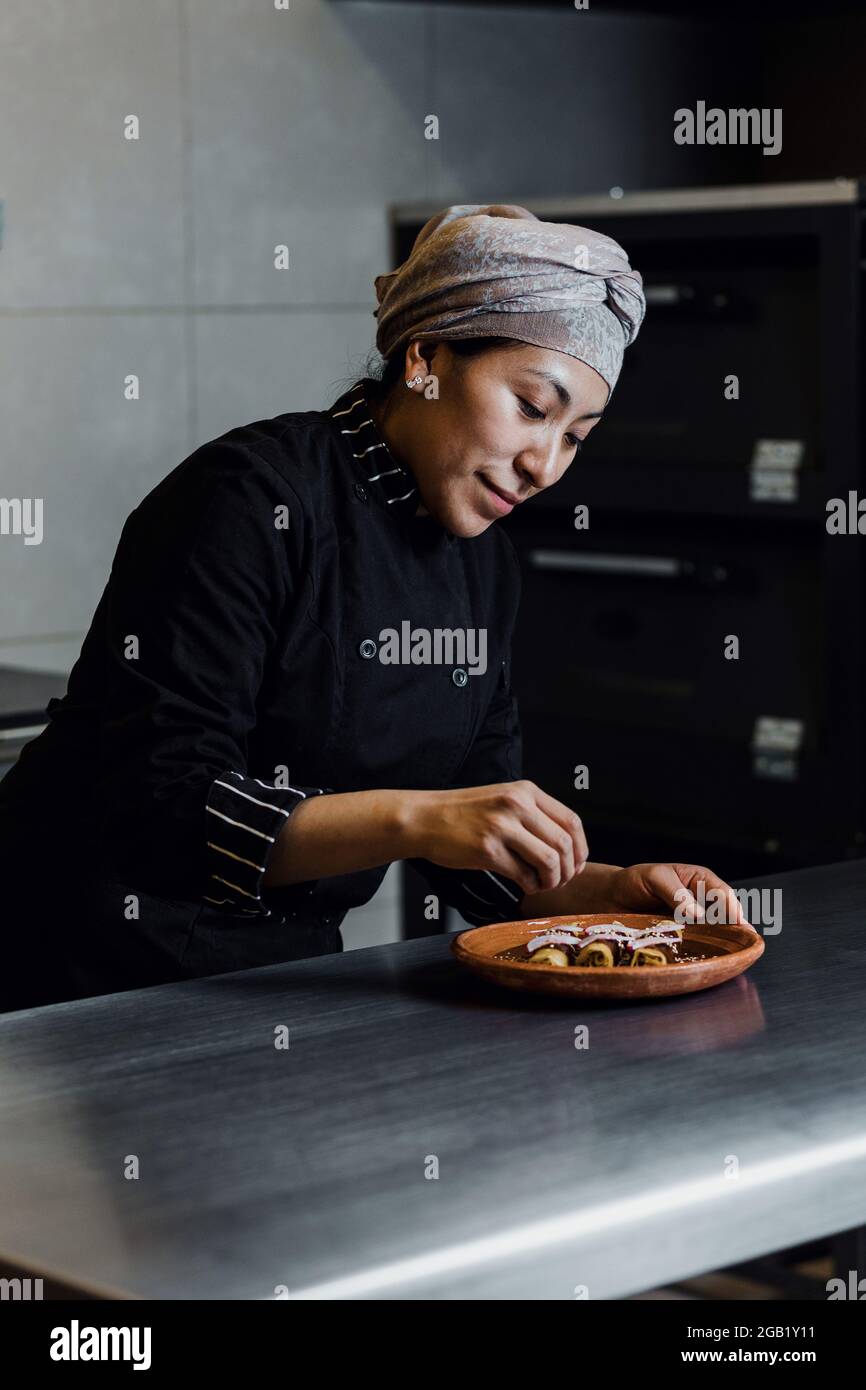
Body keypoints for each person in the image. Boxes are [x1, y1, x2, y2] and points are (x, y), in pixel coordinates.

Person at [0, 203, 748, 1013]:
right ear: (425, 356)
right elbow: (162, 810)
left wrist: (614, 890)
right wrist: (418, 819)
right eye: (534, 408)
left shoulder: (482, 565)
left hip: (275, 984)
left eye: (576, 437)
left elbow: (476, 836)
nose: (545, 464)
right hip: (72, 976)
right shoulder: (248, 500)